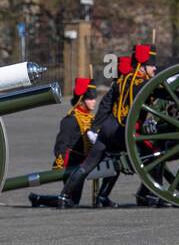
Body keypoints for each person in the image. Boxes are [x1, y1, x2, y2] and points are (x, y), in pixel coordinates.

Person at [56, 45, 162, 209]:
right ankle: (154, 194)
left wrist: (94, 128)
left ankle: (63, 196)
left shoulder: (120, 81)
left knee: (86, 166)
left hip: (107, 129)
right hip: (124, 131)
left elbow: (105, 106)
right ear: (143, 65)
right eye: (152, 65)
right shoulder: (145, 84)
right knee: (155, 155)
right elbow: (164, 93)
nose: (155, 68)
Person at [29, 77, 119, 208]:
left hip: (89, 161)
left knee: (115, 164)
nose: (94, 102)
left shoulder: (93, 119)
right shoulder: (70, 120)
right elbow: (61, 145)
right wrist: (62, 165)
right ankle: (40, 199)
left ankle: (102, 196)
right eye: (90, 99)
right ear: (81, 99)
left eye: (94, 98)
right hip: (74, 164)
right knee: (72, 202)